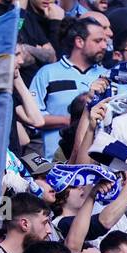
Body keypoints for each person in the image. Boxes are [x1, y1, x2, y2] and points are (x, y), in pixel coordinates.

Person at [27, 16, 109, 158]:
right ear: (79, 41)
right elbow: (32, 116)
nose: (104, 46)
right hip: (54, 162)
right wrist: (72, 121)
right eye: (98, 41)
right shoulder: (48, 73)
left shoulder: (107, 76)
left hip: (97, 162)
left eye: (105, 41)